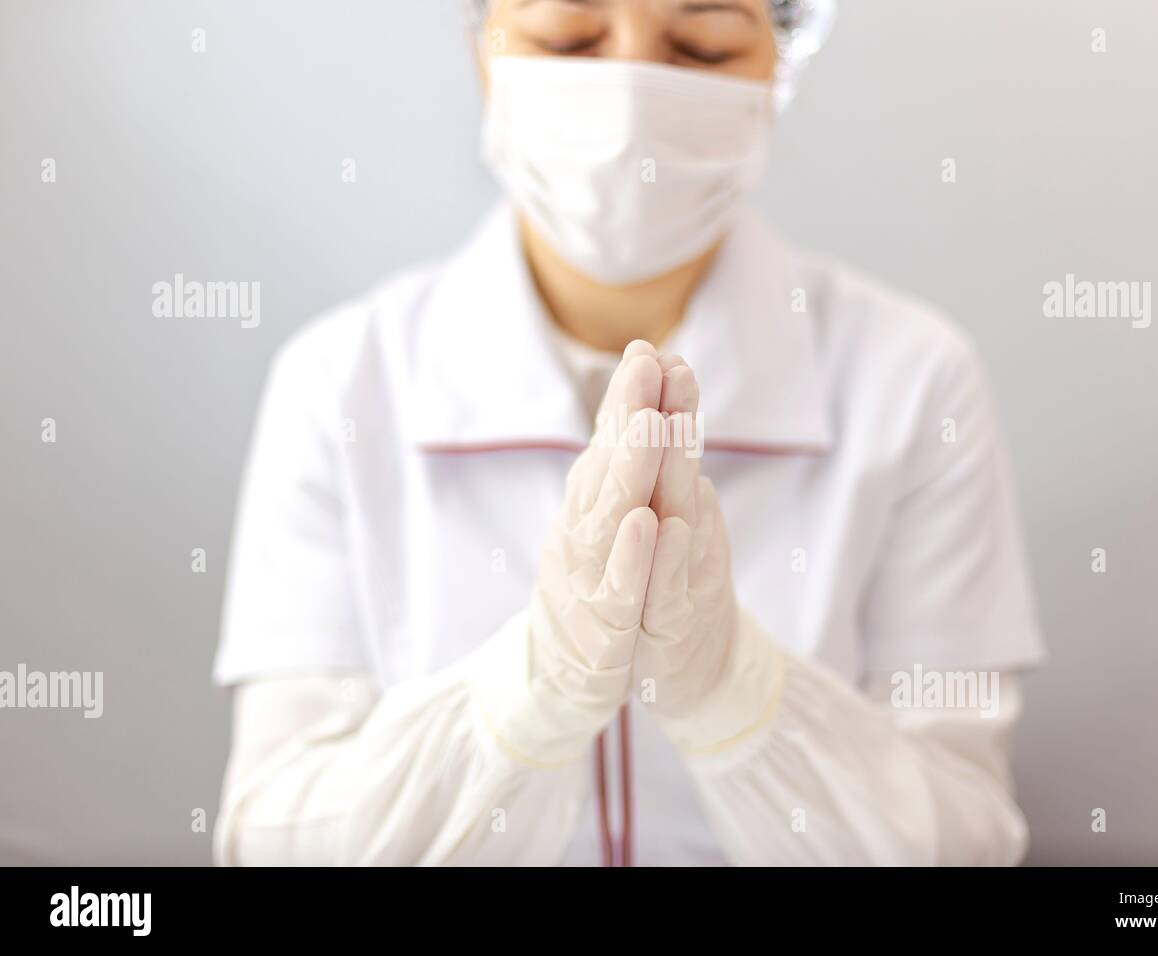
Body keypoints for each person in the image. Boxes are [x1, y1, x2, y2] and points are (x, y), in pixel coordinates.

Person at [211, 0, 1045, 866]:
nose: (629, 98)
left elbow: (967, 841)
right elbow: (275, 838)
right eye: (568, 37)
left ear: (778, 67)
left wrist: (738, 695)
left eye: (702, 45)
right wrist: (527, 698)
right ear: (483, 52)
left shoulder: (912, 383)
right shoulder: (341, 385)